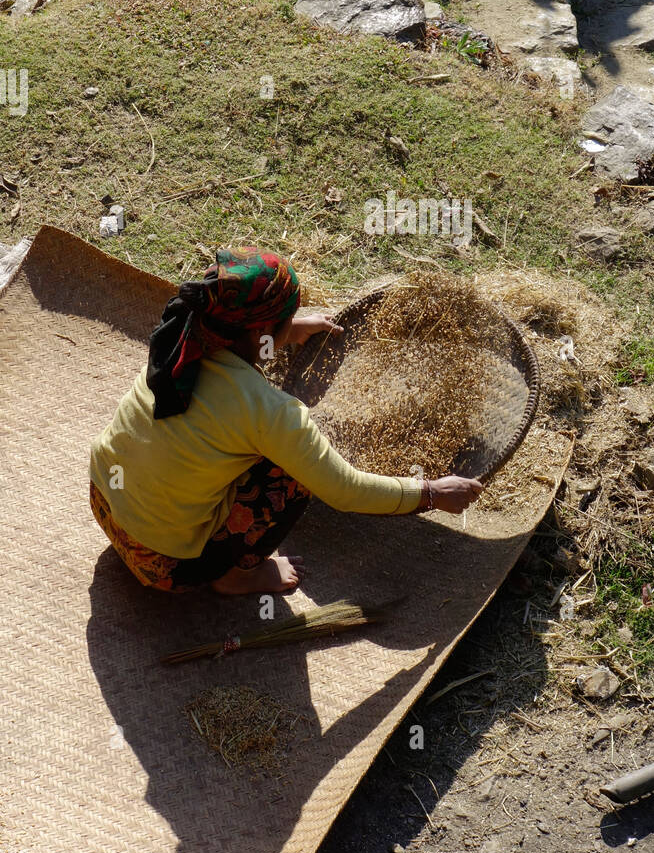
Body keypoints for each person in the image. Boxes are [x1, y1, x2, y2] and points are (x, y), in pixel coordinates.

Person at [89, 247, 482, 595]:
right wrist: (430, 493)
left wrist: (290, 330)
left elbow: (244, 340)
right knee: (291, 473)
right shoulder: (272, 413)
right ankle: (236, 576)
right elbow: (345, 490)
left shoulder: (180, 341)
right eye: (286, 318)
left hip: (106, 502)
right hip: (164, 564)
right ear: (260, 331)